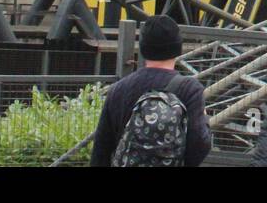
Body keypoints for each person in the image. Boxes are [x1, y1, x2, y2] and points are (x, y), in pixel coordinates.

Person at [90, 14, 212, 167]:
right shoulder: (190, 90)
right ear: (178, 47)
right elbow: (200, 144)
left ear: (142, 47)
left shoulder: (119, 89)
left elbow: (101, 150)